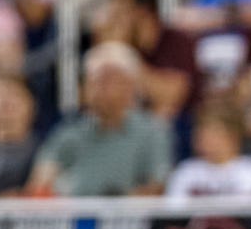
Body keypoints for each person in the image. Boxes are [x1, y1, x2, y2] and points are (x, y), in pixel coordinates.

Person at [26, 41, 173, 197]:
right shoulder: (69, 132)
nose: (98, 89)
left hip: (129, 218)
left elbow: (158, 187)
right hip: (73, 217)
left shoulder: (152, 133)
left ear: (130, 86)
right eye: (93, 80)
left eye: (107, 80)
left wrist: (115, 207)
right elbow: (41, 180)